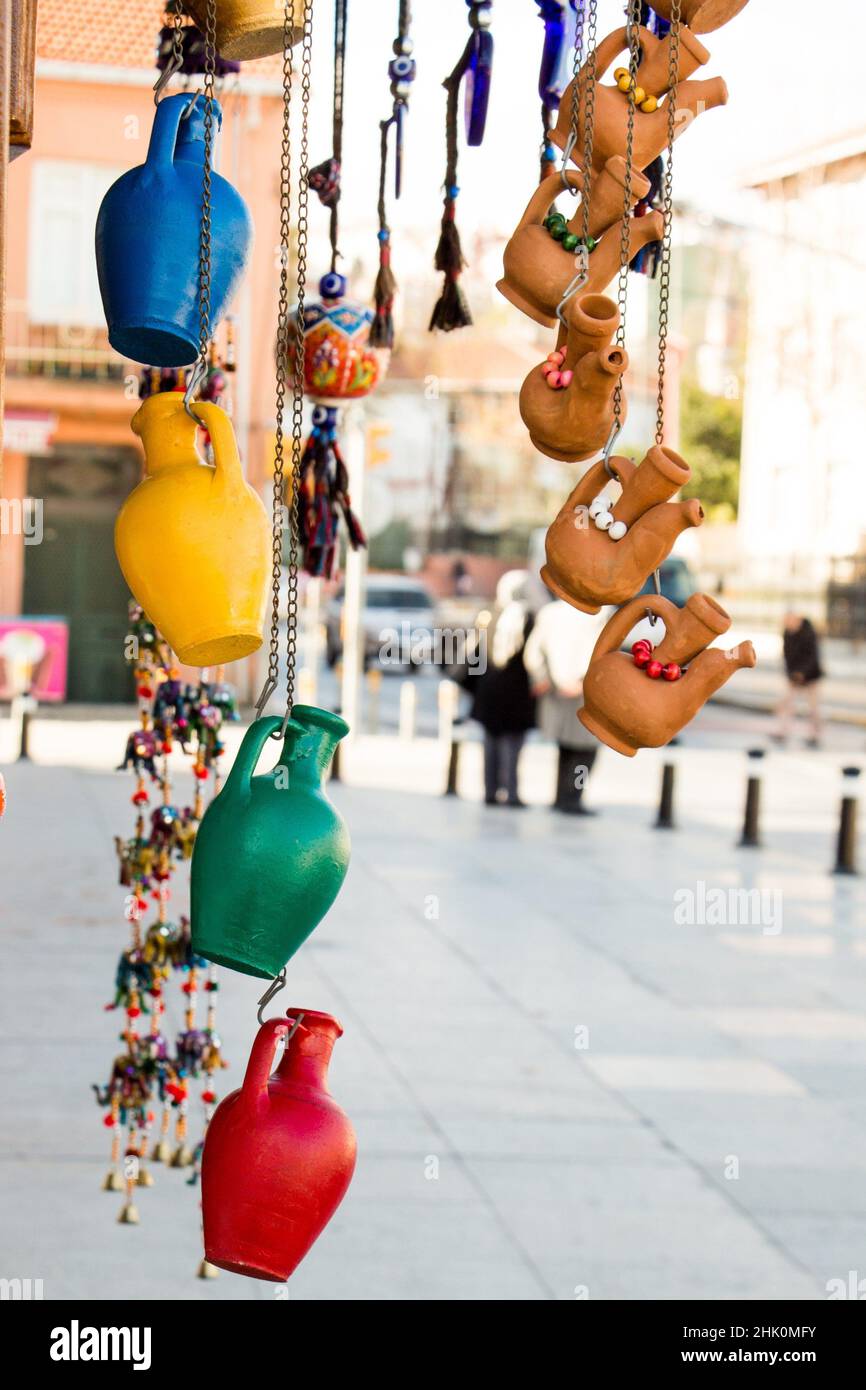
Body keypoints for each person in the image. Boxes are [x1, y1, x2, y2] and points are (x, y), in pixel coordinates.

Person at [524, 599, 606, 814]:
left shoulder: (550, 612)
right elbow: (602, 651)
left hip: (555, 689)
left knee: (566, 749)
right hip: (586, 692)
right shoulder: (599, 613)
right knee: (585, 752)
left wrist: (543, 679)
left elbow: (533, 653)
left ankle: (561, 797)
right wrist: (581, 681)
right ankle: (573, 798)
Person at [464, 571, 535, 807]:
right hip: (517, 692)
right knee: (513, 745)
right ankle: (511, 793)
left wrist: (474, 687)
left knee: (490, 742)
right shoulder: (528, 617)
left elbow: (474, 654)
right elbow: (533, 657)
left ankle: (490, 791)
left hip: (488, 689)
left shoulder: (487, 614)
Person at [774, 612, 824, 748]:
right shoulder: (787, 633)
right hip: (794, 675)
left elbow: (813, 657)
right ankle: (782, 732)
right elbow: (786, 655)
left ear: (796, 621)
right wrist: (791, 674)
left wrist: (802, 673)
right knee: (787, 704)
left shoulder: (809, 633)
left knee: (813, 707)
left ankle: (815, 735)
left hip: (811, 675)